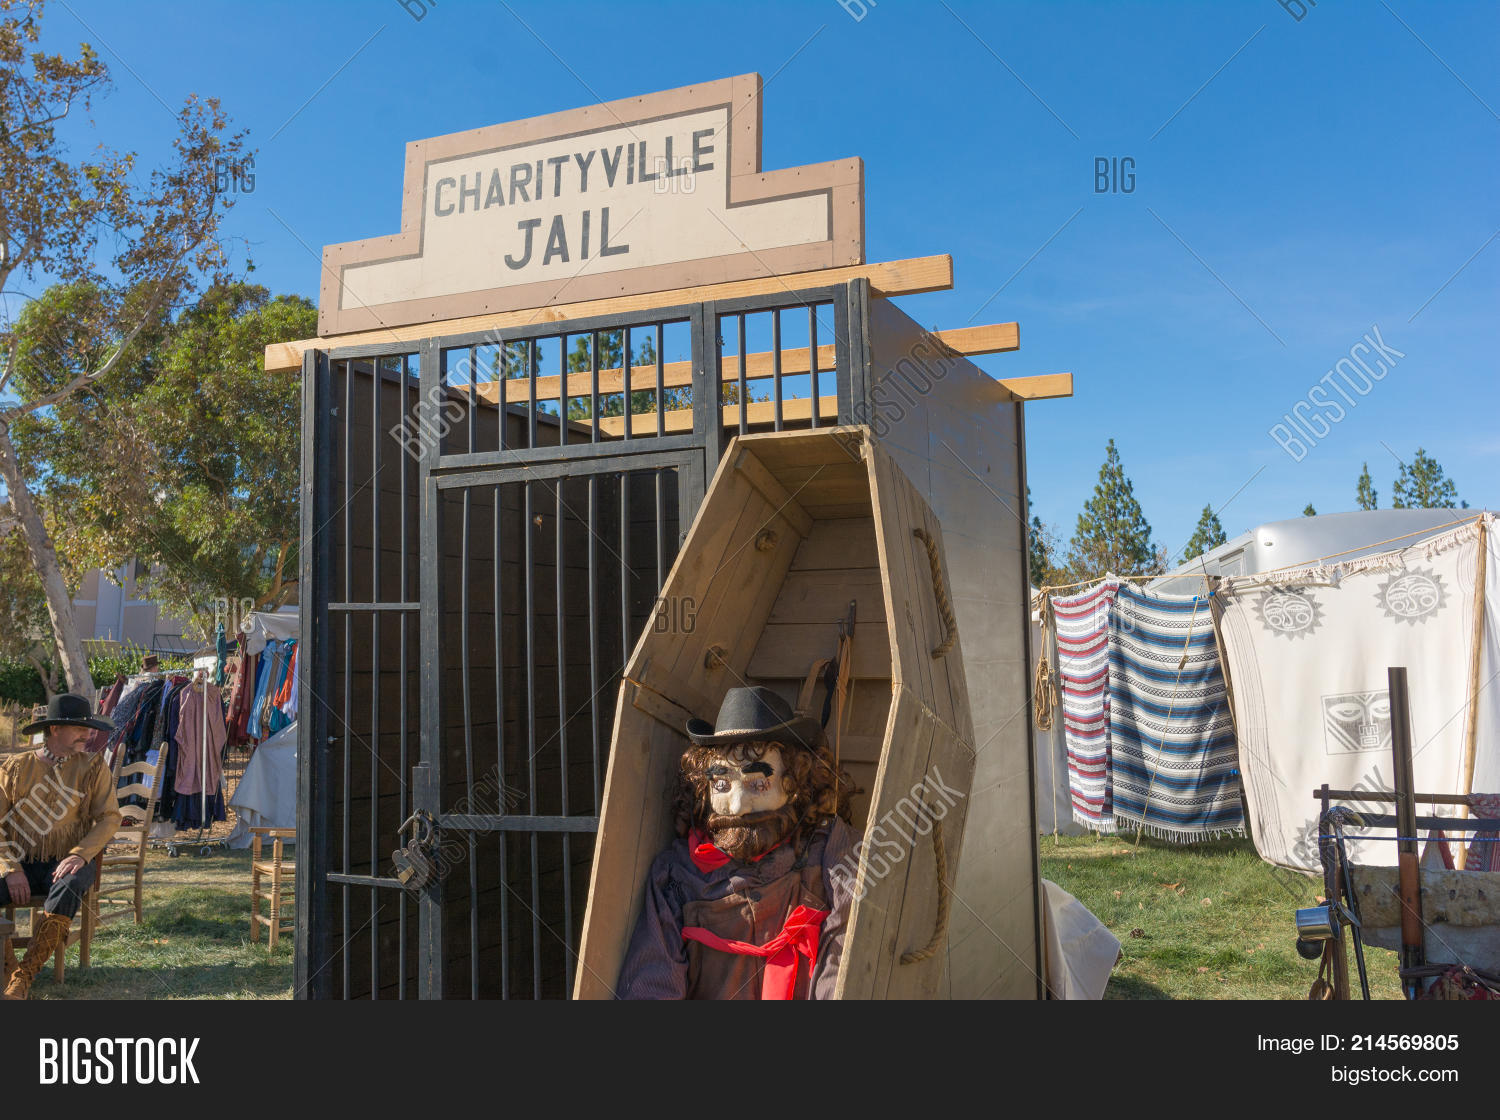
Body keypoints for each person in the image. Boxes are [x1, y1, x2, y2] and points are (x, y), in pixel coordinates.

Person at [618, 685, 857, 1000]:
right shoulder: (676, 875)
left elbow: (846, 966)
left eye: (758, 783)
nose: (737, 806)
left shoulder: (831, 855)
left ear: (795, 783)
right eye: (722, 783)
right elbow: (650, 984)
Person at [0, 692, 121, 1000]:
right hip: (19, 862)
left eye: (89, 727)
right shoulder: (15, 767)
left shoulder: (93, 767)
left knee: (71, 883)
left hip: (67, 860)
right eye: (80, 728)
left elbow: (109, 818)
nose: (88, 733)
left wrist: (80, 855)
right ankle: (9, 965)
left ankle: (24, 977)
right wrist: (11, 868)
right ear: (55, 729)